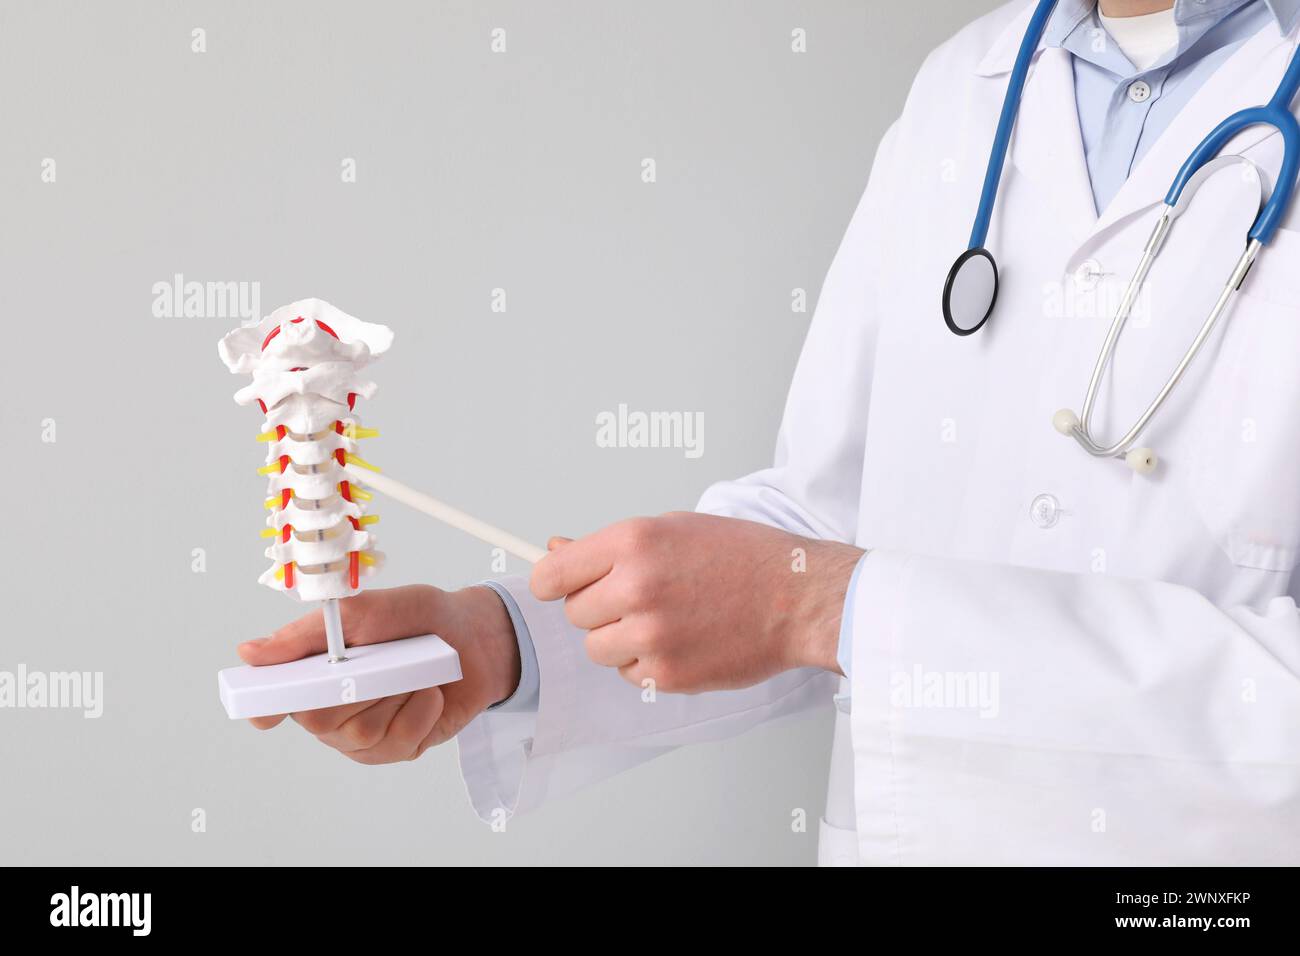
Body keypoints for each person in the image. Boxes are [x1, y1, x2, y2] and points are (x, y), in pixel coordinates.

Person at [238, 0, 1300, 865]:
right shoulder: (964, 91)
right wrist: (509, 642)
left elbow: (823, 595)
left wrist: (827, 604)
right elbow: (824, 522)